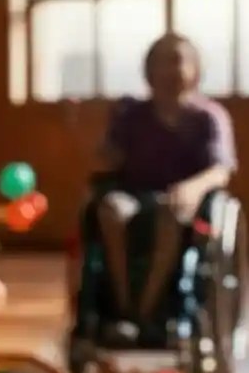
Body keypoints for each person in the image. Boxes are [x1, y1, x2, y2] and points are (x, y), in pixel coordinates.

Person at [72, 33, 236, 348]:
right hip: (133, 193)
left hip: (179, 200)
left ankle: (146, 312)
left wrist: (192, 188)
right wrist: (80, 127)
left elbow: (220, 171)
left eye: (178, 60)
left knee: (169, 213)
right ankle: (123, 305)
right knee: (110, 210)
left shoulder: (208, 117)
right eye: (161, 62)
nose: (170, 70)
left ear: (196, 70)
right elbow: (107, 160)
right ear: (148, 72)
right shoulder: (132, 114)